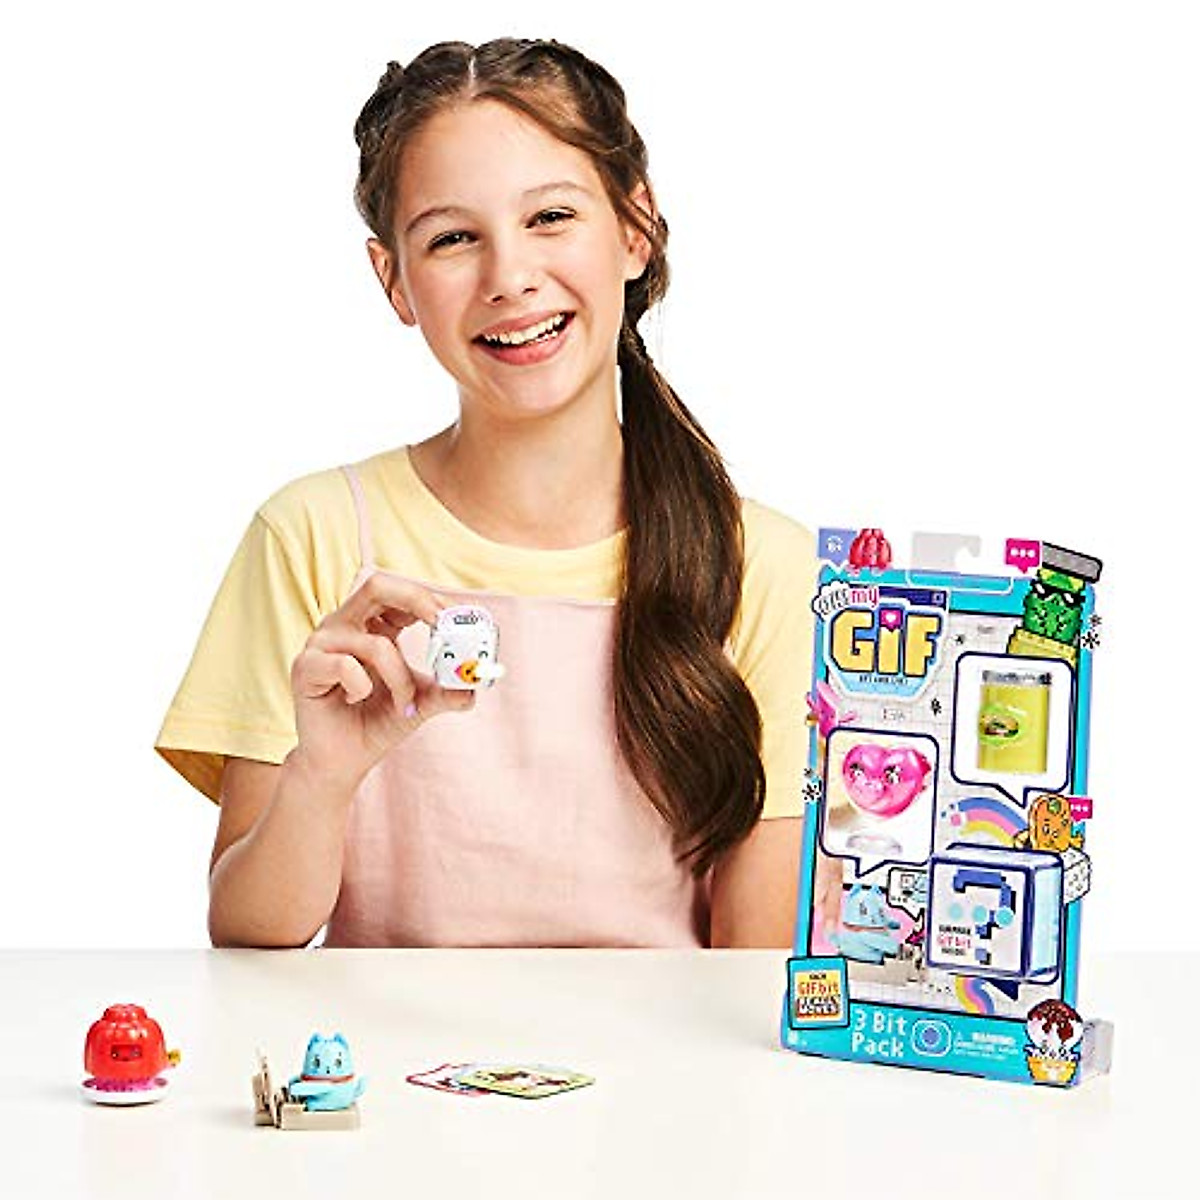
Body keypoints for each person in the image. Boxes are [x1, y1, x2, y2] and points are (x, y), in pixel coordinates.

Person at [156, 37, 826, 950]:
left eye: (550, 216)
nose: (509, 277)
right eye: (452, 238)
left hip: (669, 1053)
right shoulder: (313, 535)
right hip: (380, 1048)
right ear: (394, 280)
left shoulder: (766, 567)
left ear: (636, 229)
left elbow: (755, 964)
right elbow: (246, 933)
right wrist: (322, 774)